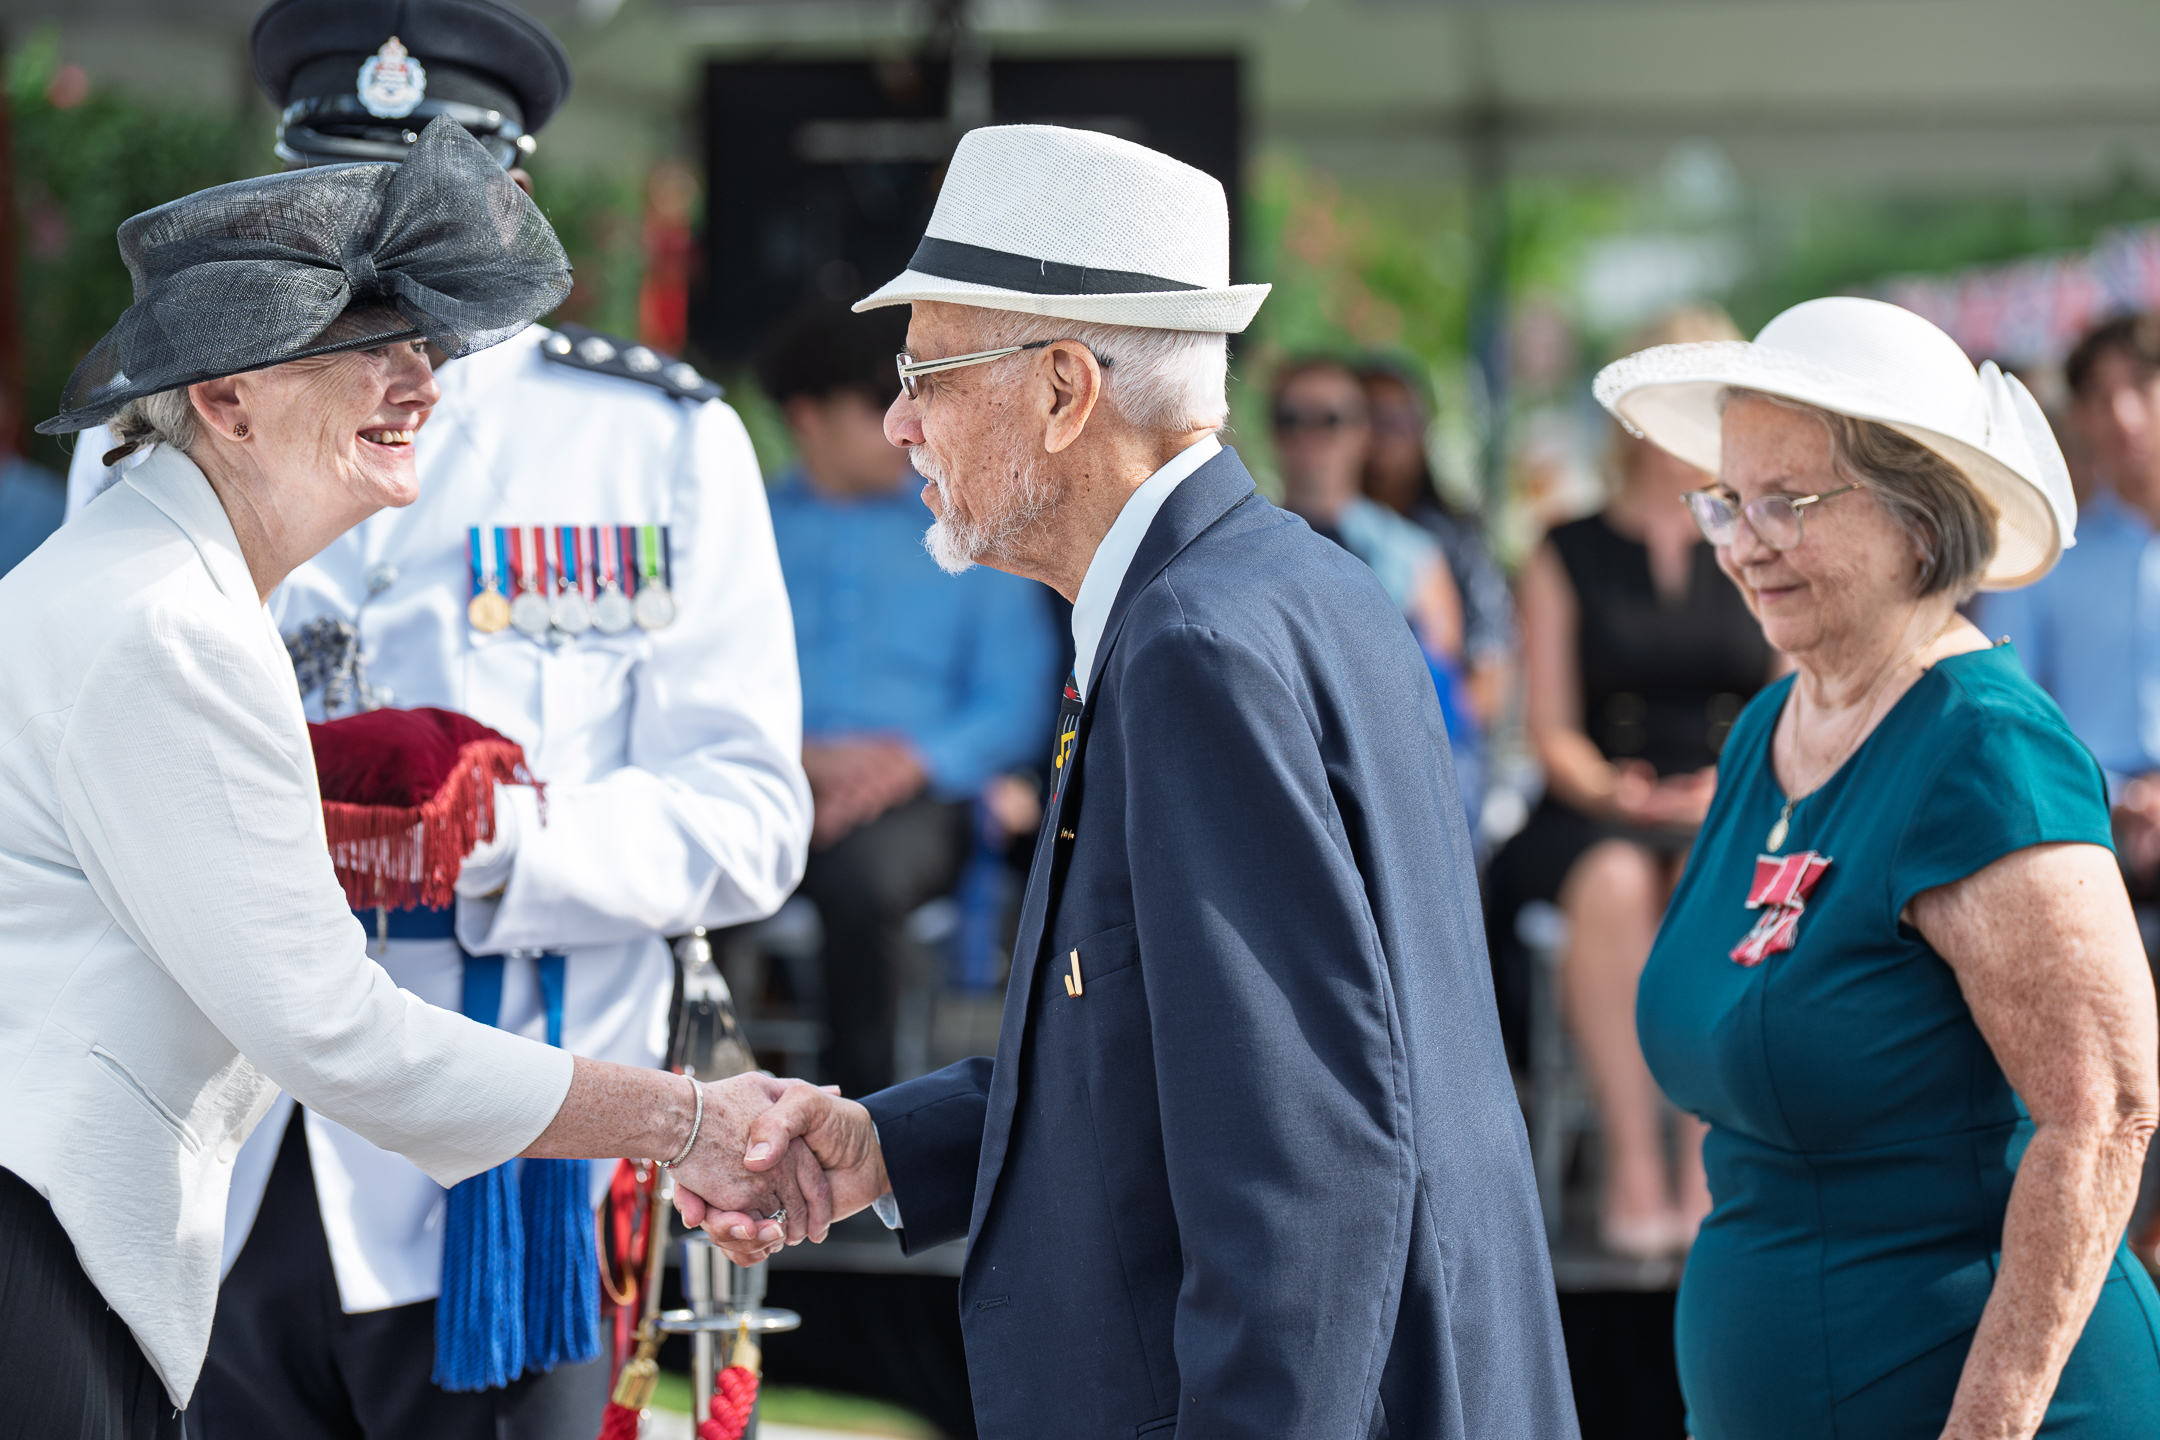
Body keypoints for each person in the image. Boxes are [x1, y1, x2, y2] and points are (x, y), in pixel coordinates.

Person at [685, 123, 1578, 1440]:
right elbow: (1177, 1050)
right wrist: (893, 1143)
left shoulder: (1196, 641)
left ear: (1061, 390)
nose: (896, 423)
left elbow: (1305, 1163)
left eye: (926, 372)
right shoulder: (1273, 586)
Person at [0, 118, 827, 1440]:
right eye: (370, 349)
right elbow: (335, 1030)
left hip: (366, 1212)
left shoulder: (161, 581)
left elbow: (745, 807)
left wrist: (497, 837)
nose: (425, 385)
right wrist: (685, 1122)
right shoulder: (167, 620)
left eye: (427, 344)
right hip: (82, 1238)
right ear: (226, 398)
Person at [1602, 295, 2160, 1437]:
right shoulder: (1769, 728)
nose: (1742, 541)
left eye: (1786, 503)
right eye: (1727, 500)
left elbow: (2102, 1120)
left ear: (1919, 518)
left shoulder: (1984, 746)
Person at [1485, 306, 1774, 1258]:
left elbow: (1790, 704)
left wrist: (1724, 789)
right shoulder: (1564, 548)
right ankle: (1631, 1163)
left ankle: (1698, 1163)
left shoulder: (1758, 538)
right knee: (1611, 880)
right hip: (1590, 804)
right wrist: (1615, 793)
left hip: (1728, 797)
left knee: (1705, 869)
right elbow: (1552, 732)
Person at [758, 300, 1058, 1098]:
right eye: (875, 404)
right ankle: (703, 1118)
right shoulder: (739, 526)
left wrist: (905, 763)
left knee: (863, 884)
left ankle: (858, 1132)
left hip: (923, 797)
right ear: (808, 417)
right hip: (767, 779)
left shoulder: (966, 527)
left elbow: (1018, 698)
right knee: (702, 867)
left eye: (915, 398)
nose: (905, 424)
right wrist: (795, 759)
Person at [1359, 359, 1515, 729]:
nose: (1385, 436)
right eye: (1370, 418)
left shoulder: (1456, 533)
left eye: (1399, 420)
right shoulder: (1313, 528)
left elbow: (1492, 660)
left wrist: (1440, 735)